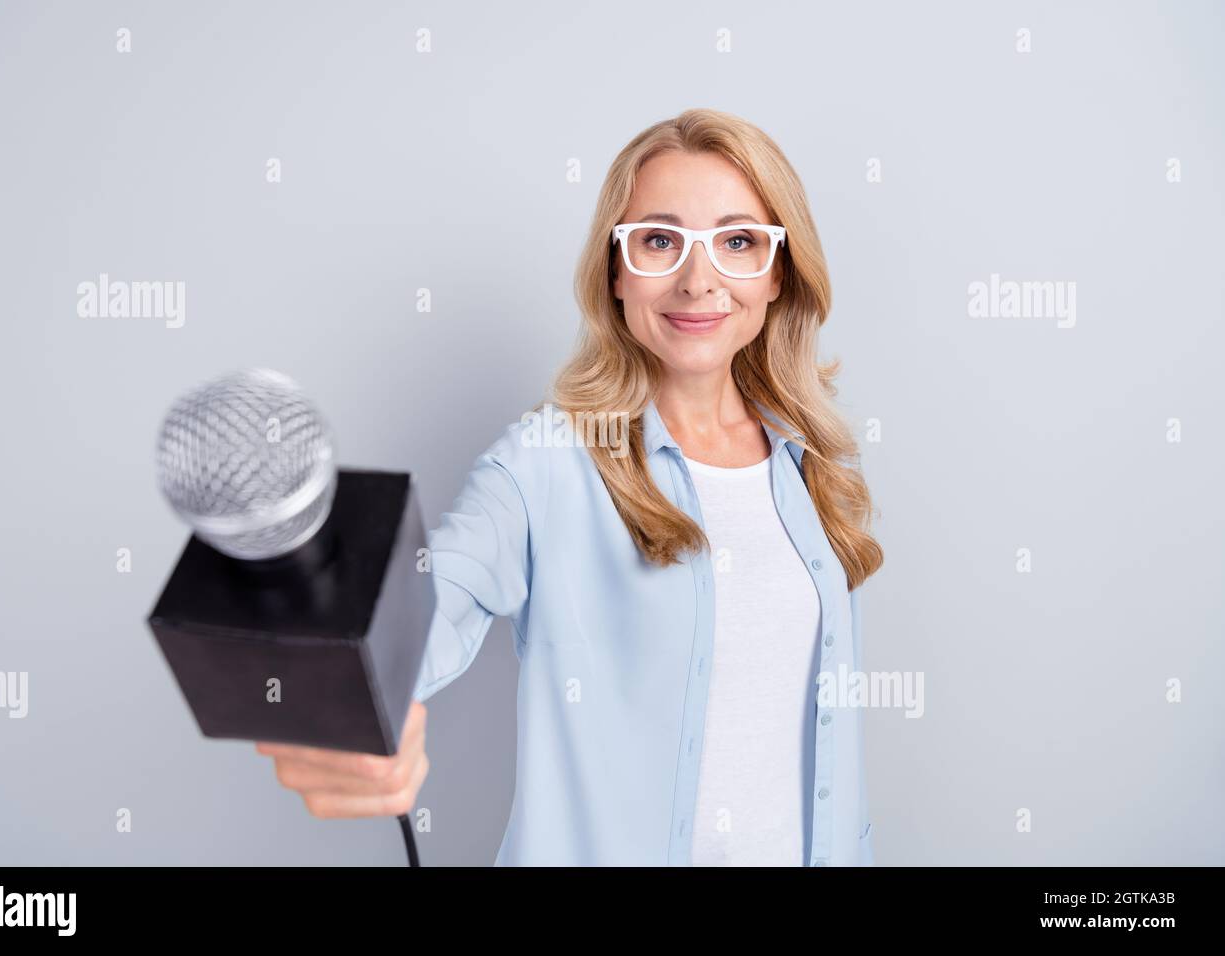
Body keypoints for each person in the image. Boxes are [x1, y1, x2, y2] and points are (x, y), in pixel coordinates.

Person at [256, 107, 884, 866]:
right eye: (659, 240)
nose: (698, 278)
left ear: (777, 271)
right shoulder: (545, 462)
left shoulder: (809, 462)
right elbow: (430, 604)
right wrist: (336, 697)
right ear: (616, 270)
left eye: (737, 241)